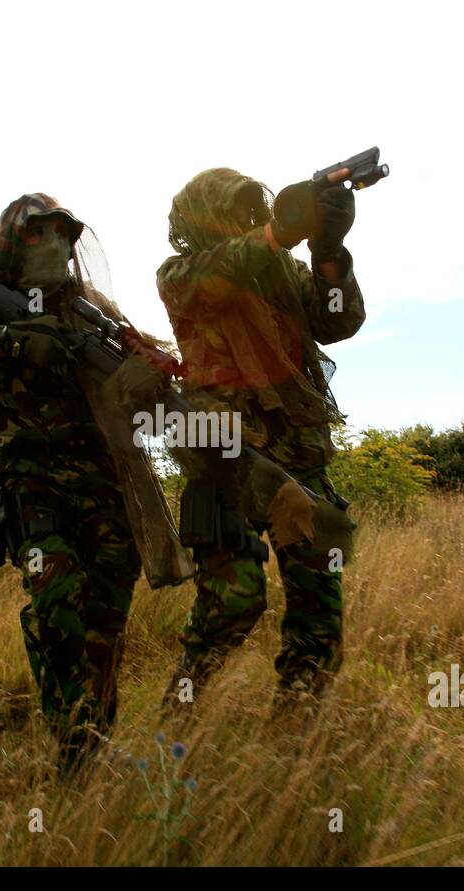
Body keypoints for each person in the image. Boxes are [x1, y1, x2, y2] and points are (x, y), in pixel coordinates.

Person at [0, 193, 146, 775]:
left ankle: (94, 736)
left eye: (63, 233)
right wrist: (16, 341)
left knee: (106, 619)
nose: (55, 244)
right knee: (58, 600)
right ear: (13, 242)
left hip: (103, 481)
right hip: (33, 478)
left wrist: (149, 372)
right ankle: (74, 752)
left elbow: (136, 375)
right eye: (39, 233)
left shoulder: (91, 308)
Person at [155, 167, 366, 722]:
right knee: (234, 600)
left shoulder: (281, 269)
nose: (246, 220)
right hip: (228, 457)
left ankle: (296, 730)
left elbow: (338, 322)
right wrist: (278, 231)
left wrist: (329, 252)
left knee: (320, 603)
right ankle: (175, 721)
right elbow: (221, 276)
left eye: (252, 211)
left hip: (297, 451)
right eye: (234, 212)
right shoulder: (180, 273)